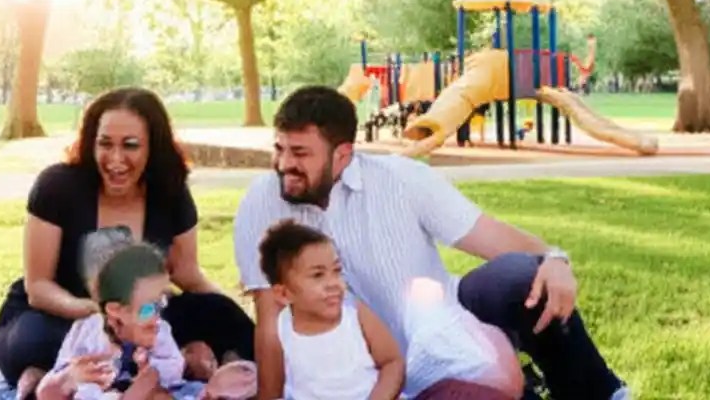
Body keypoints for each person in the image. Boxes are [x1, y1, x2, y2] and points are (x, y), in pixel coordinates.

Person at [234, 86, 629, 400]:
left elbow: (495, 239)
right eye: (280, 148)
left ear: (343, 155)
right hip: (363, 380)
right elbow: (270, 320)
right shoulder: (262, 200)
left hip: (445, 341)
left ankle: (601, 394)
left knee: (523, 277)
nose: (285, 164)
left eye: (300, 153)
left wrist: (554, 259)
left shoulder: (401, 180)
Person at [0, 88, 254, 397]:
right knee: (33, 338)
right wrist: (99, 315)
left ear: (151, 148)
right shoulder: (58, 186)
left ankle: (223, 373)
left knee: (222, 316)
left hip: (140, 315)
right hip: (62, 314)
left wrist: (230, 310)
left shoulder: (170, 193)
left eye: (130, 146)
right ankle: (49, 377)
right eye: (105, 144)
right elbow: (38, 287)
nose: (115, 159)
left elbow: (187, 274)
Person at [258, 219, 405, 399]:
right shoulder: (280, 331)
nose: (333, 283)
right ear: (284, 294)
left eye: (337, 270)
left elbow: (392, 362)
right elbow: (272, 391)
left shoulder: (356, 315)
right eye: (318, 275)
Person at [37, 241, 185, 400]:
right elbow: (53, 387)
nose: (157, 313)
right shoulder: (88, 334)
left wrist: (150, 367)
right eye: (149, 307)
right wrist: (71, 377)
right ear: (115, 310)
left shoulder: (158, 330)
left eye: (162, 302)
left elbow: (175, 367)